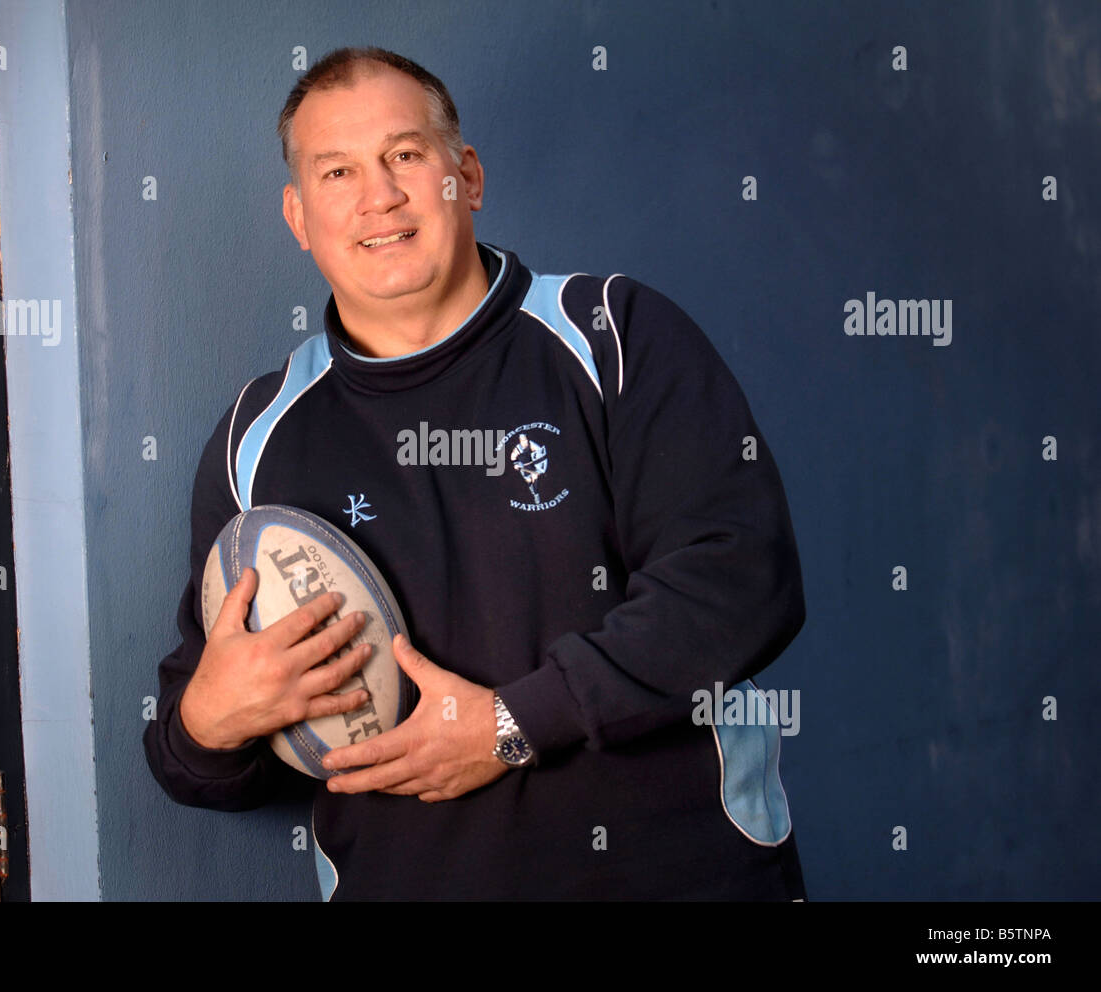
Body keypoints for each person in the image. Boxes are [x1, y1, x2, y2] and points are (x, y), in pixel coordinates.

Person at [143, 46, 809, 901]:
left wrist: (511, 725)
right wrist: (208, 721)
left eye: (406, 155)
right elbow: (199, 760)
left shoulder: (612, 336)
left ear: (469, 175)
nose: (378, 195)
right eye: (337, 171)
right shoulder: (256, 437)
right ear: (299, 216)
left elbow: (741, 579)